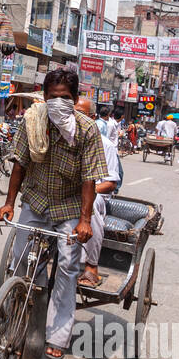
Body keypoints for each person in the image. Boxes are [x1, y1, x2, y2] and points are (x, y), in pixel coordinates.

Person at [0, 69, 108, 359]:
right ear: (44, 96)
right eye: (53, 97)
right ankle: (20, 304)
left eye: (65, 98)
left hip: (69, 207)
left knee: (69, 266)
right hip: (35, 200)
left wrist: (85, 220)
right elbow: (19, 164)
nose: (58, 102)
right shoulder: (31, 121)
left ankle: (58, 335)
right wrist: (9, 203)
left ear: (75, 99)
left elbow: (89, 179)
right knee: (19, 258)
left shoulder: (87, 130)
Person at [75, 98, 121, 290]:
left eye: (81, 114)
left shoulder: (106, 146)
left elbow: (110, 183)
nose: (75, 118)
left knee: (90, 206)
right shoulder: (64, 138)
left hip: (96, 194)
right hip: (68, 191)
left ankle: (91, 266)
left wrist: (88, 191)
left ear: (92, 118)